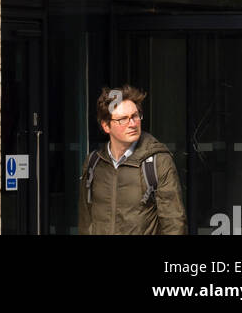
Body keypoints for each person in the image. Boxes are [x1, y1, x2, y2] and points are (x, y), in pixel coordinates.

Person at [78, 84, 186, 235]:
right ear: (106, 126)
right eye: (123, 119)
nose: (133, 124)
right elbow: (85, 222)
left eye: (135, 116)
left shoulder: (157, 162)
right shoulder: (93, 163)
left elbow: (174, 225)